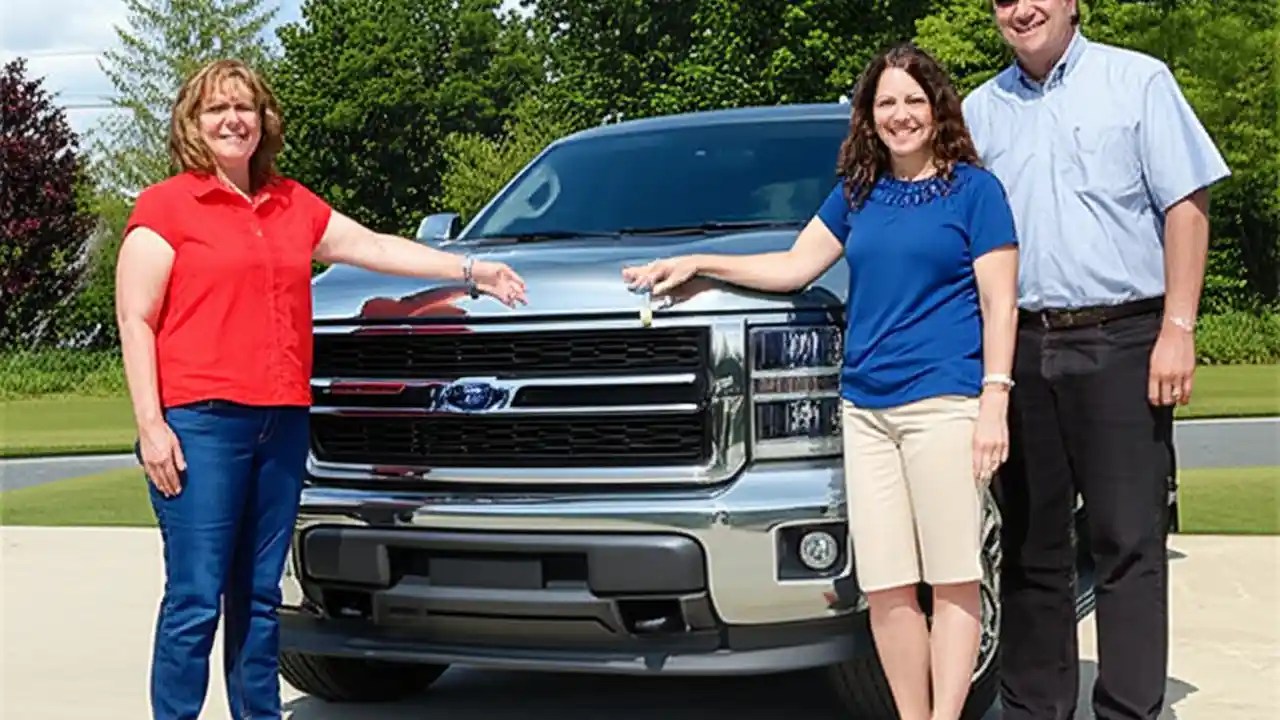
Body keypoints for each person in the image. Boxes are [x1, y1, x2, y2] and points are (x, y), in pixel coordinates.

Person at [114, 58, 527, 719]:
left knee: (259, 597)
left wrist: (471, 270)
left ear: (263, 120)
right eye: (216, 108)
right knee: (195, 596)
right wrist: (151, 426)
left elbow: (376, 248)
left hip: (281, 421)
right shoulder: (166, 207)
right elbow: (135, 318)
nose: (232, 120)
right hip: (201, 422)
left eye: (245, 107)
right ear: (193, 122)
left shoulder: (290, 203)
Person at [622, 43, 1019, 720]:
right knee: (887, 586)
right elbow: (792, 266)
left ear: (937, 109)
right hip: (865, 411)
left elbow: (999, 303)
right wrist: (701, 265)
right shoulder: (858, 194)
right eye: (886, 102)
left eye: (914, 100)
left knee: (953, 577)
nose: (901, 115)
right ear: (869, 115)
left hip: (945, 404)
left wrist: (994, 402)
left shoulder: (975, 192)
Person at [960, 2, 1231, 719]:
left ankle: (1129, 710)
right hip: (1020, 348)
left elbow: (1187, 203)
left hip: (1124, 338)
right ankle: (1035, 709)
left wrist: (1178, 326)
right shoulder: (979, 112)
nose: (1021, 9)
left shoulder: (1138, 82)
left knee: (1128, 540)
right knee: (1030, 545)